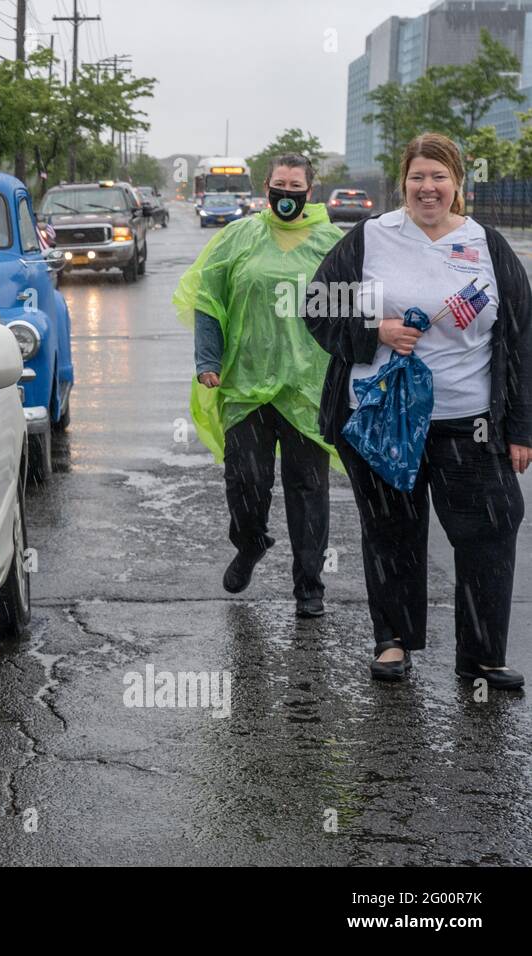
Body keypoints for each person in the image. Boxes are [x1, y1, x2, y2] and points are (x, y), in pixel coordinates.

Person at [302, 132, 532, 688]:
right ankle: (393, 643)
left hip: (470, 421)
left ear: (457, 183)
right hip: (384, 418)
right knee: (391, 532)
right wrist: (373, 330)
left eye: (439, 177)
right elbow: (315, 306)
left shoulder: (488, 246)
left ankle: (480, 656)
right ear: (403, 182)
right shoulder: (370, 238)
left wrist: (521, 427)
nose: (428, 188)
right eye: (417, 177)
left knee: (491, 528)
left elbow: (521, 338)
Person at [173, 153, 345, 617]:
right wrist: (208, 359)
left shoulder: (334, 244)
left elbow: (355, 310)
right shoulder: (240, 236)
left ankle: (309, 586)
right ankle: (250, 543)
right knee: (245, 483)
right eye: (279, 184)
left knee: (308, 489)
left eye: (296, 186)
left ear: (310, 192)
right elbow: (209, 296)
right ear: (265, 187)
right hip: (245, 382)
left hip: (307, 388)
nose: (286, 193)